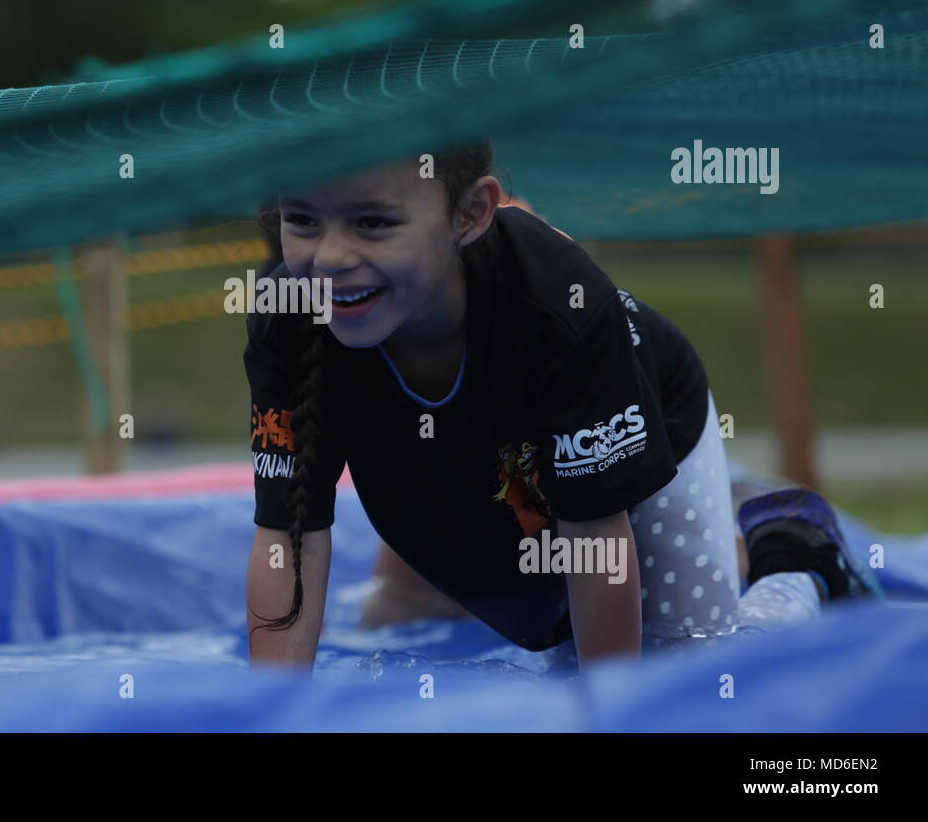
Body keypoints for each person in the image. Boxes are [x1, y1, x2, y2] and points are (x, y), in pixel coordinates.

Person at [243, 137, 882, 672]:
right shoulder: (290, 316)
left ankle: (795, 556)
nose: (328, 259)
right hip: (492, 450)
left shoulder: (558, 304)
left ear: (471, 213)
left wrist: (612, 712)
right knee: (401, 614)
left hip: (648, 419)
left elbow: (595, 540)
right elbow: (288, 536)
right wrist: (265, 715)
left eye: (373, 222)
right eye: (302, 221)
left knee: (681, 672)